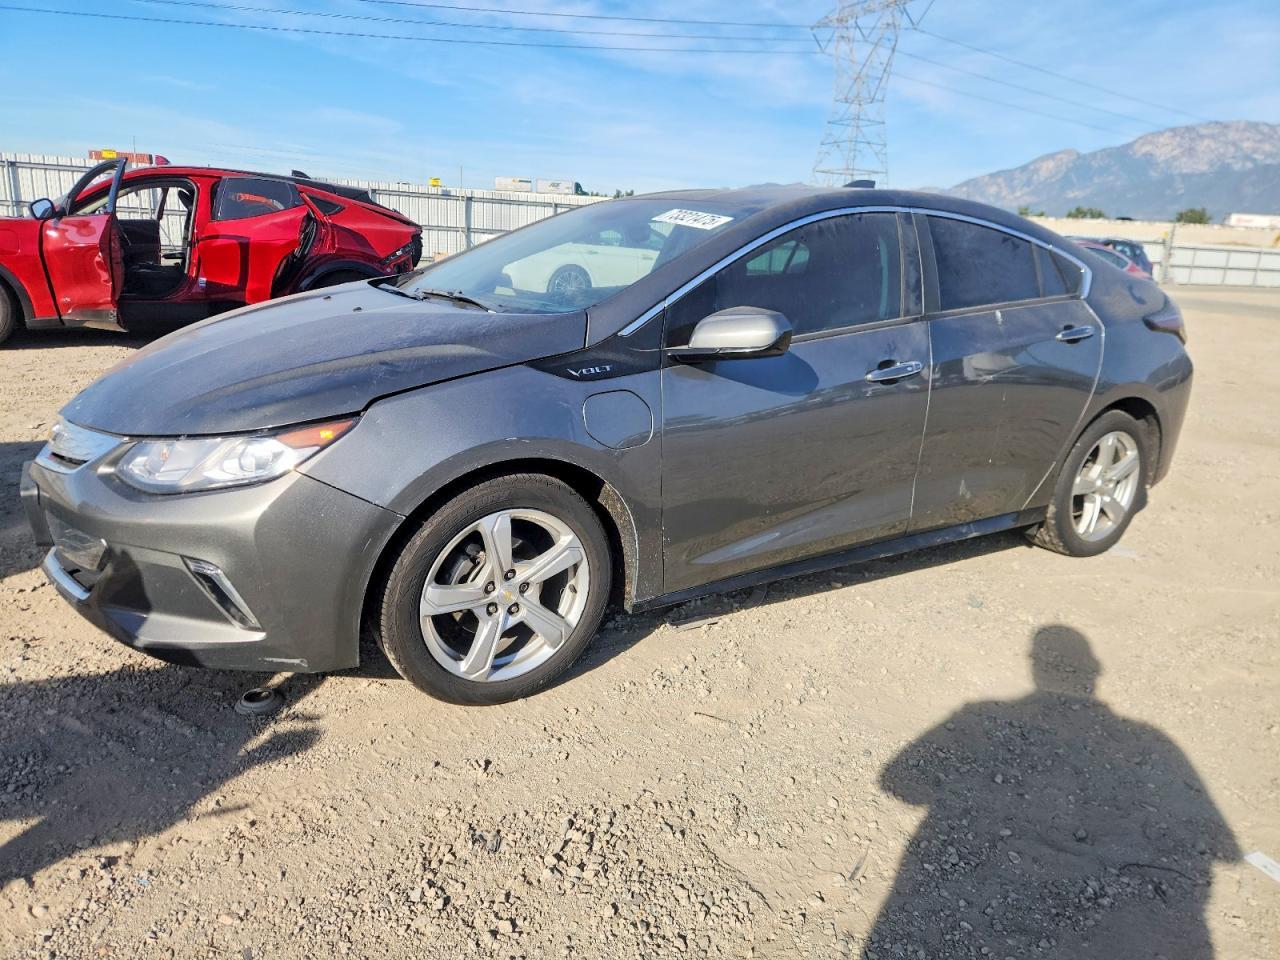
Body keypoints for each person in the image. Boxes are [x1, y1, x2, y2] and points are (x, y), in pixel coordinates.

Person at [864, 625, 1238, 959]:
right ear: (1096, 669)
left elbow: (895, 782)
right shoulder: (1154, 742)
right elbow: (1225, 851)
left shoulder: (977, 713)